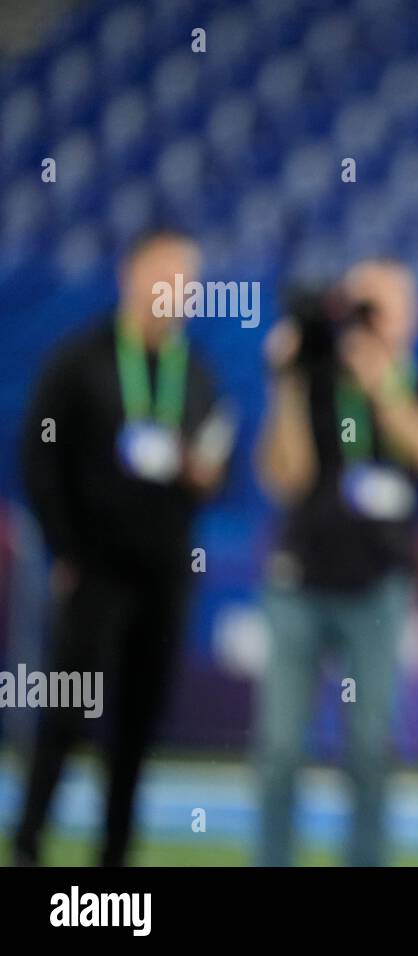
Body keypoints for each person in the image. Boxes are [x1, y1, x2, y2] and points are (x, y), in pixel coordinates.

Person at [13, 227, 229, 866]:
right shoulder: (80, 359)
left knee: (137, 723)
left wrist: (199, 471)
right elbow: (38, 456)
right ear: (132, 276)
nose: (183, 292)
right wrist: (65, 551)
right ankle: (28, 840)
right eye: (170, 275)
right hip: (95, 567)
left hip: (165, 571)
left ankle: (114, 861)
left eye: (191, 280)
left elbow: (216, 464)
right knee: (66, 712)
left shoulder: (197, 371)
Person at [253, 257, 418, 866]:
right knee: (280, 748)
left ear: (411, 319)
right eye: (360, 305)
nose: (369, 322)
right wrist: (286, 383)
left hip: (378, 587)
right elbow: (285, 478)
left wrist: (383, 388)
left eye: (383, 308)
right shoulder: (315, 381)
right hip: (300, 581)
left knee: (371, 749)